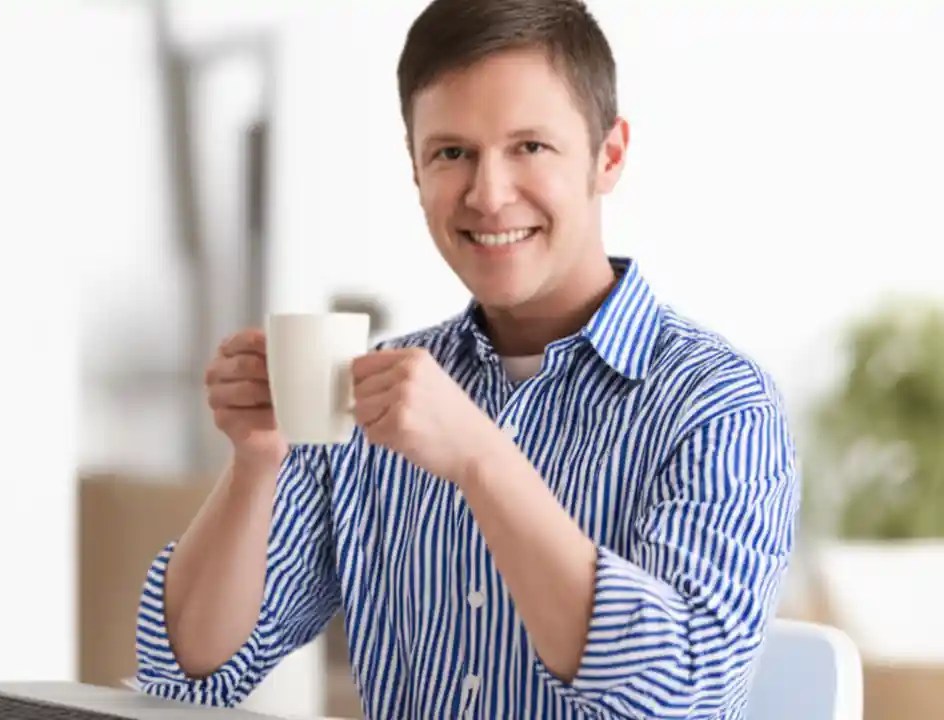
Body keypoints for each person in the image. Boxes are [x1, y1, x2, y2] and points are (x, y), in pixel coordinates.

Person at [134, 0, 800, 717]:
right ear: (415, 169)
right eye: (452, 153)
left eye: (529, 148)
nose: (488, 194)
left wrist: (484, 462)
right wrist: (257, 462)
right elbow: (188, 672)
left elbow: (676, 696)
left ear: (608, 156)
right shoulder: (375, 395)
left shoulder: (722, 405)